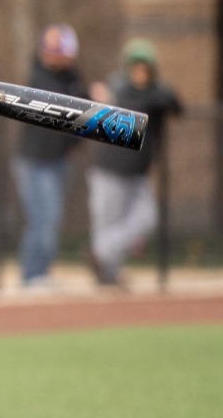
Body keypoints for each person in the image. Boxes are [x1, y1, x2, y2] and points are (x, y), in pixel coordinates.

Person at [86, 38, 183, 287]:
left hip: (138, 173)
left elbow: (176, 106)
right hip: (109, 171)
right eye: (136, 68)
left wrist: (156, 93)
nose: (140, 73)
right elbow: (115, 100)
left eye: (145, 68)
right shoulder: (118, 90)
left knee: (146, 219)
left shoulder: (158, 93)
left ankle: (99, 252)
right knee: (108, 223)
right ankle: (106, 275)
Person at [12, 25, 85, 288]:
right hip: (34, 161)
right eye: (50, 51)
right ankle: (32, 275)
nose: (54, 56)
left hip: (58, 161)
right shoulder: (38, 77)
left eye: (60, 51)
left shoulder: (74, 80)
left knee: (50, 219)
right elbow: (59, 103)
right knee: (42, 218)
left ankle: (41, 272)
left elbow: (82, 116)